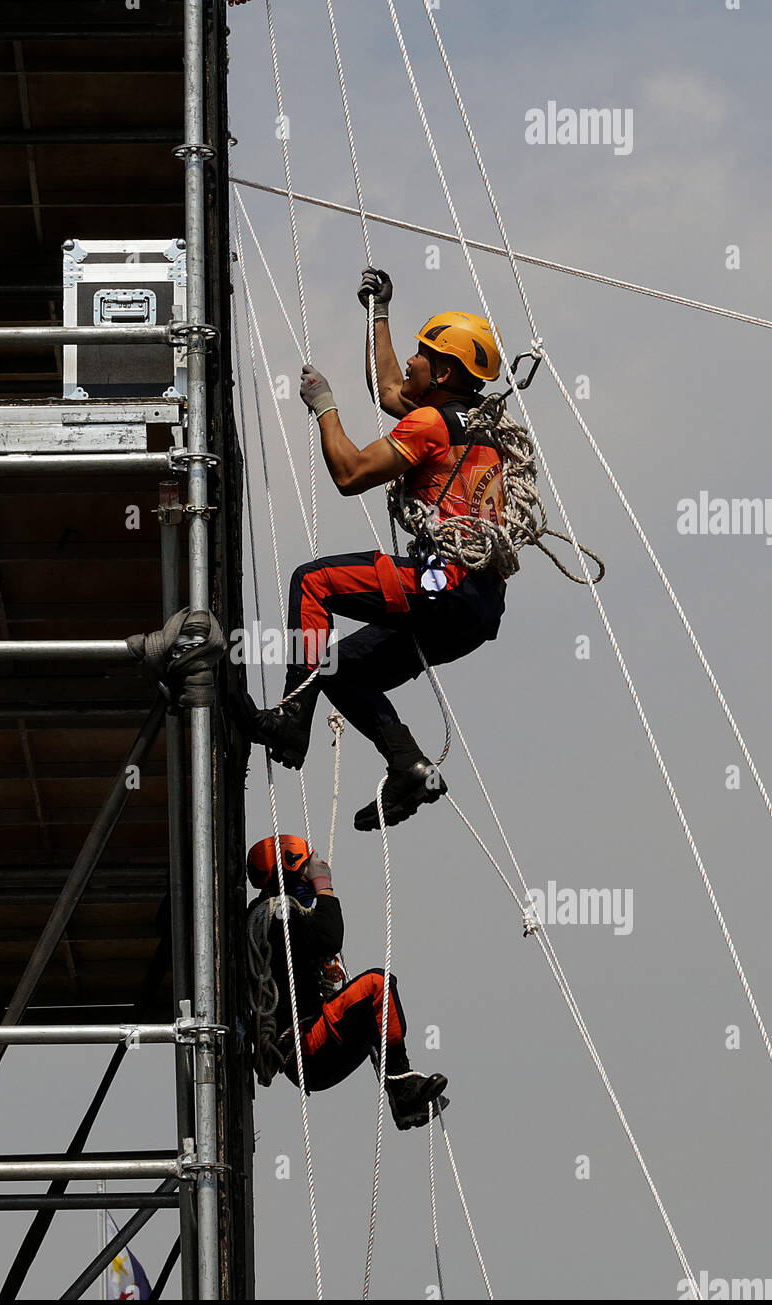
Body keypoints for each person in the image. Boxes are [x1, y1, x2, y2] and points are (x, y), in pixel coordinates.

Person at [240, 267, 508, 832]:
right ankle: (408, 766)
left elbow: (350, 472)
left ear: (445, 371)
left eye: (421, 353)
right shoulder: (475, 421)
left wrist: (324, 408)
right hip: (476, 605)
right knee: (336, 668)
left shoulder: (434, 422)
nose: (410, 360)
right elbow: (390, 390)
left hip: (446, 584)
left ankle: (292, 718)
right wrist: (378, 313)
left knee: (313, 583)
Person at [245, 834, 448, 1130]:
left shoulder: (278, 915)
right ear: (287, 868)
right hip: (305, 1047)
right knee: (377, 985)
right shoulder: (277, 914)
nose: (313, 869)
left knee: (373, 1012)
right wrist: (323, 886)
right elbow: (329, 937)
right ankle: (402, 1088)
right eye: (305, 866)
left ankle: (404, 1097)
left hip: (310, 1049)